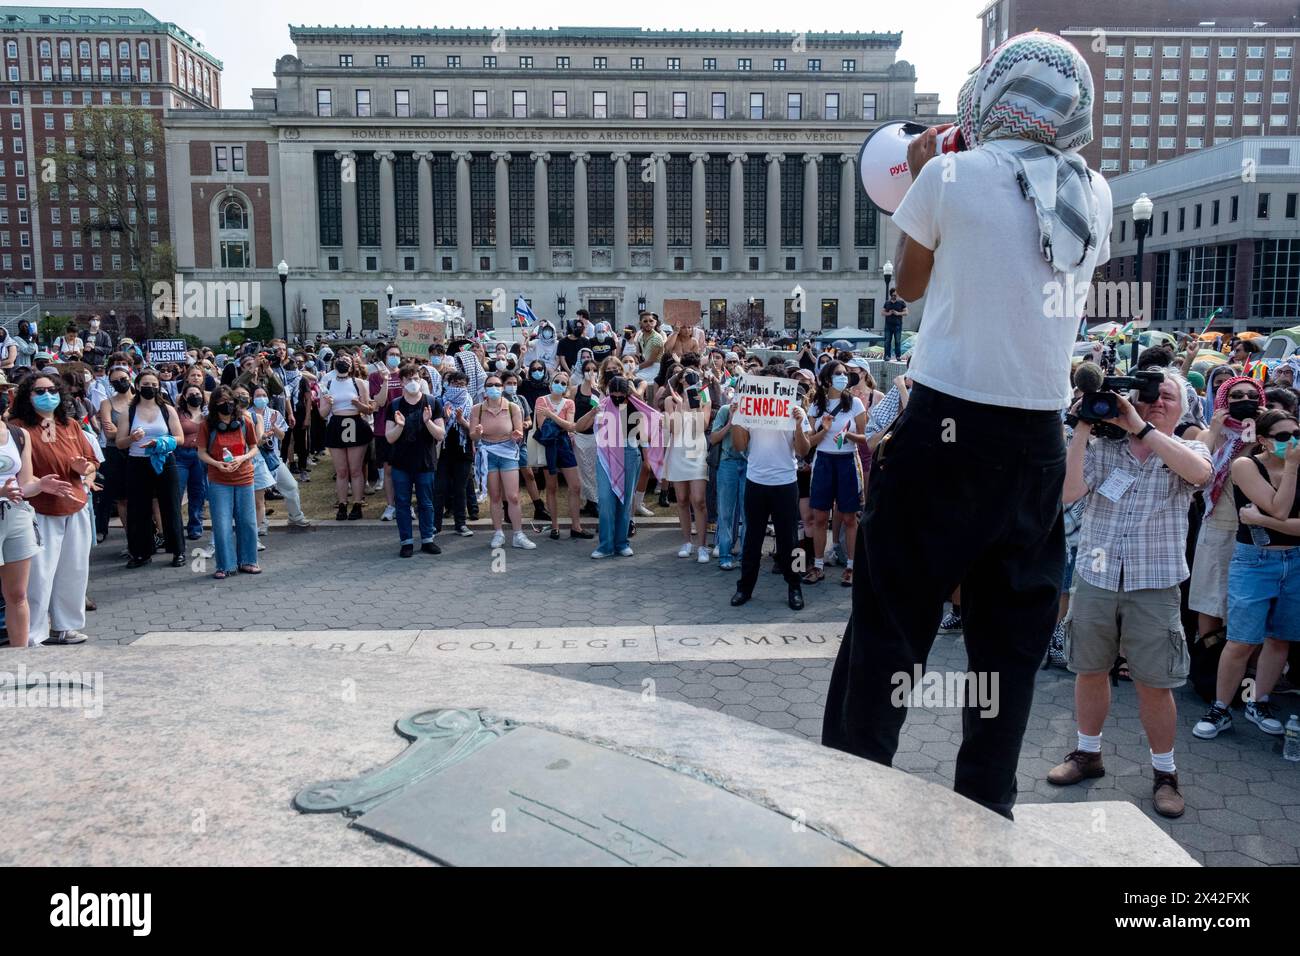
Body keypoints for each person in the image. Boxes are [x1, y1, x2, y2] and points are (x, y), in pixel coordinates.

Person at [822, 31, 1114, 819]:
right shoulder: (1096, 193)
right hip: (1036, 442)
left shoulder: (949, 175)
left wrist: (923, 174)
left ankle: (852, 803)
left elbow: (911, 285)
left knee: (890, 623)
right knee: (1006, 648)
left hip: (946, 428)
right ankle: (985, 816)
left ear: (993, 93)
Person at [1050, 370, 1212, 818]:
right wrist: (1083, 424)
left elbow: (1198, 473)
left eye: (1168, 396)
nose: (1157, 401)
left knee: (1155, 683)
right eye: (1149, 395)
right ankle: (1087, 753)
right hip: (1097, 578)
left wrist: (1141, 428)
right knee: (1089, 669)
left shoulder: (1190, 448)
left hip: (1154, 584)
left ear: (1183, 408)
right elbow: (1066, 494)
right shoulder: (1105, 449)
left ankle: (1165, 773)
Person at [1193, 409, 1300, 741]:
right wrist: (1293, 468)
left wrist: (1262, 521)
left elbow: (1274, 516)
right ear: (1264, 440)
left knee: (1280, 637)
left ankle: (1259, 701)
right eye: (1284, 436)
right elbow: (1280, 507)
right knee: (1241, 640)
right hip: (1255, 561)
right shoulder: (1246, 465)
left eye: (1297, 433)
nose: (1293, 441)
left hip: (1295, 562)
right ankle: (1221, 707)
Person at [13, 372, 98, 644]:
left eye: (52, 390)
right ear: (27, 396)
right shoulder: (17, 428)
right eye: (39, 391)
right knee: (39, 575)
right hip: (39, 508)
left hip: (75, 504)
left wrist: (85, 470)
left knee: (74, 570)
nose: (47, 395)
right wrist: (40, 484)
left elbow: (91, 463)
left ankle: (65, 626)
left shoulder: (70, 424)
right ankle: (33, 634)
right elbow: (15, 474)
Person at [728, 366, 811, 611]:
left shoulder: (795, 410)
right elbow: (739, 445)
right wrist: (736, 419)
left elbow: (804, 450)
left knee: (790, 540)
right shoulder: (749, 409)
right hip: (757, 481)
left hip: (785, 482)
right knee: (752, 539)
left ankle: (795, 586)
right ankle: (744, 586)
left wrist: (797, 423)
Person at [0, 398, 76, 647]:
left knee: (18, 594)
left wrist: (41, 485)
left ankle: (20, 662)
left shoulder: (18, 435)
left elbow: (24, 485)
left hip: (16, 516)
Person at [805, 361, 868, 586]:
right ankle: (818, 565)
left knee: (850, 517)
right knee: (820, 516)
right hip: (823, 461)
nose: (843, 377)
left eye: (845, 374)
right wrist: (824, 429)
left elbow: (867, 438)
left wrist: (847, 435)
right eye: (838, 374)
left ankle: (851, 566)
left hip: (847, 461)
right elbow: (808, 442)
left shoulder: (855, 403)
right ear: (828, 378)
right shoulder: (816, 404)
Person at [118, 368, 186, 569]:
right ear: (137, 386)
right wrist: (133, 438)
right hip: (137, 462)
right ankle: (140, 552)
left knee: (171, 506)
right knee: (138, 508)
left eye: (154, 385)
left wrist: (161, 442)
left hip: (164, 461)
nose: (150, 388)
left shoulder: (167, 409)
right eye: (145, 385)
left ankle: (177, 551)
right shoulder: (128, 412)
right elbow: (120, 442)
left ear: (159, 387)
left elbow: (179, 438)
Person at [591, 376, 662, 559]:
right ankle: (605, 545)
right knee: (606, 500)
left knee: (625, 501)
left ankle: (621, 543)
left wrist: (647, 455)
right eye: (613, 394)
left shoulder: (635, 405)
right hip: (606, 454)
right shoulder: (603, 405)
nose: (617, 398)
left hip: (630, 452)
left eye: (620, 395)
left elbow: (648, 425)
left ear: (627, 393)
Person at [384, 361, 447, 557]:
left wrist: (427, 421)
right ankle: (407, 542)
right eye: (409, 379)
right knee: (402, 503)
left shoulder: (433, 402)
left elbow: (440, 434)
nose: (414, 382)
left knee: (426, 503)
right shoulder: (394, 405)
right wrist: (400, 425)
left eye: (416, 378)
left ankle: (428, 539)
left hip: (425, 461)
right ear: (401, 382)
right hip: (401, 462)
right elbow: (389, 437)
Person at [198, 385, 260, 578]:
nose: (227, 405)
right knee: (222, 523)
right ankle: (225, 565)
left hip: (244, 477)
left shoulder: (244, 421)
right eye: (221, 402)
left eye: (229, 401)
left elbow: (254, 447)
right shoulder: (207, 425)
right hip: (219, 480)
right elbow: (201, 452)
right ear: (214, 405)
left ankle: (248, 561)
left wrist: (242, 458)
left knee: (248, 522)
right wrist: (217, 463)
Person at [470, 372, 535, 550]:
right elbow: (473, 436)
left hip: (508, 453)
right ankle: (498, 533)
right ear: (485, 389)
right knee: (496, 496)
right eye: (490, 385)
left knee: (513, 496)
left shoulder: (514, 407)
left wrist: (517, 435)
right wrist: (478, 432)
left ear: (502, 387)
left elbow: (519, 434)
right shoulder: (477, 409)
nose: (494, 388)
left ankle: (518, 534)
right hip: (487, 454)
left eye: (497, 385)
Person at [532, 369, 594, 541]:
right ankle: (555, 526)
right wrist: (562, 423)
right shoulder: (541, 400)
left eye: (563, 383)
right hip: (548, 446)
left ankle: (576, 526)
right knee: (551, 487)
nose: (559, 385)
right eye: (556, 381)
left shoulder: (569, 403)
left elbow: (571, 426)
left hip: (565, 445)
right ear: (551, 382)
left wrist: (552, 415)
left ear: (567, 387)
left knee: (575, 486)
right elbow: (543, 427)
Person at [663, 364, 711, 562]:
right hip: (678, 451)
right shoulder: (670, 400)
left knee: (698, 500)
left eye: (694, 376)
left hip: (697, 451)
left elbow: (703, 426)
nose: (690, 379)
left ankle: (703, 545)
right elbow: (673, 428)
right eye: (687, 376)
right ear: (681, 379)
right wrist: (681, 405)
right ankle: (687, 541)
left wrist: (695, 401)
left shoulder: (704, 398)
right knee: (681, 498)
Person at [319, 351, 375, 521]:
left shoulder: (359, 383)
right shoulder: (327, 383)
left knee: (356, 469)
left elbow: (368, 410)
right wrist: (328, 403)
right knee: (341, 471)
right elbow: (322, 413)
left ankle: (357, 504)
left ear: (352, 365)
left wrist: (359, 405)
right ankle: (342, 504)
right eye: (340, 359)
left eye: (346, 359)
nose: (342, 362)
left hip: (356, 424)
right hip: (336, 424)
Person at [250, 383, 310, 531]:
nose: (261, 398)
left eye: (264, 395)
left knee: (291, 486)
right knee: (259, 494)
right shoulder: (247, 414)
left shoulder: (274, 413)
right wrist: (262, 436)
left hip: (273, 457)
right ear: (252, 398)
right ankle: (261, 523)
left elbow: (283, 436)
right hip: (255, 459)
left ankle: (296, 517)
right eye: (258, 396)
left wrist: (274, 428)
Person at [709, 389, 747, 571]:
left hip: (749, 465)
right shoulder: (725, 410)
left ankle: (745, 556)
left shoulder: (755, 412)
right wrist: (731, 421)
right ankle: (725, 554)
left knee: (748, 513)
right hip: (728, 463)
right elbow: (714, 438)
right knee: (725, 512)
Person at [434, 368, 475, 537]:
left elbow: (473, 429)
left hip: (463, 452)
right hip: (442, 452)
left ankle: (461, 524)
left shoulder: (470, 403)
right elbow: (434, 428)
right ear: (448, 384)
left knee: (460, 488)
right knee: (440, 488)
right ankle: (435, 524)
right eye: (454, 384)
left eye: (462, 384)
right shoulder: (439, 401)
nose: (458, 387)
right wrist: (444, 417)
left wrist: (461, 421)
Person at [369, 342, 406, 522]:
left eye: (397, 354)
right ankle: (391, 505)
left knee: (407, 468)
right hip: (384, 428)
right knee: (389, 469)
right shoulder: (375, 377)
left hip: (405, 429)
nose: (394, 357)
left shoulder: (406, 376)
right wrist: (385, 380)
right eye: (391, 354)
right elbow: (380, 402)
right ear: (384, 357)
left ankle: (405, 505)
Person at [175, 382, 209, 540]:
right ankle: (175, 527)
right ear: (184, 397)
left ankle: (195, 527)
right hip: (181, 455)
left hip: (200, 456)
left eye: (197, 394)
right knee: (177, 492)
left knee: (198, 492)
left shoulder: (208, 414)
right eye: (191, 394)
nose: (195, 396)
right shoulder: (177, 413)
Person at [634, 312, 665, 383]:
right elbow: (640, 355)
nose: (648, 323)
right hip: (646, 366)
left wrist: (636, 368)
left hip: (657, 368)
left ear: (655, 322)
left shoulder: (656, 338)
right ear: (640, 323)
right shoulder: (641, 337)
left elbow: (651, 361)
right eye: (645, 321)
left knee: (633, 378)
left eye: (651, 321)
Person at [881, 289, 908, 361]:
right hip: (888, 325)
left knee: (897, 341)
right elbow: (882, 312)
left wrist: (898, 313)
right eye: (893, 295)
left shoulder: (901, 302)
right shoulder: (887, 303)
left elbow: (906, 312)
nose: (894, 297)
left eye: (895, 295)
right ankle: (887, 356)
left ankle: (898, 356)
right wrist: (888, 313)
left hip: (897, 325)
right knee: (887, 341)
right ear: (891, 295)